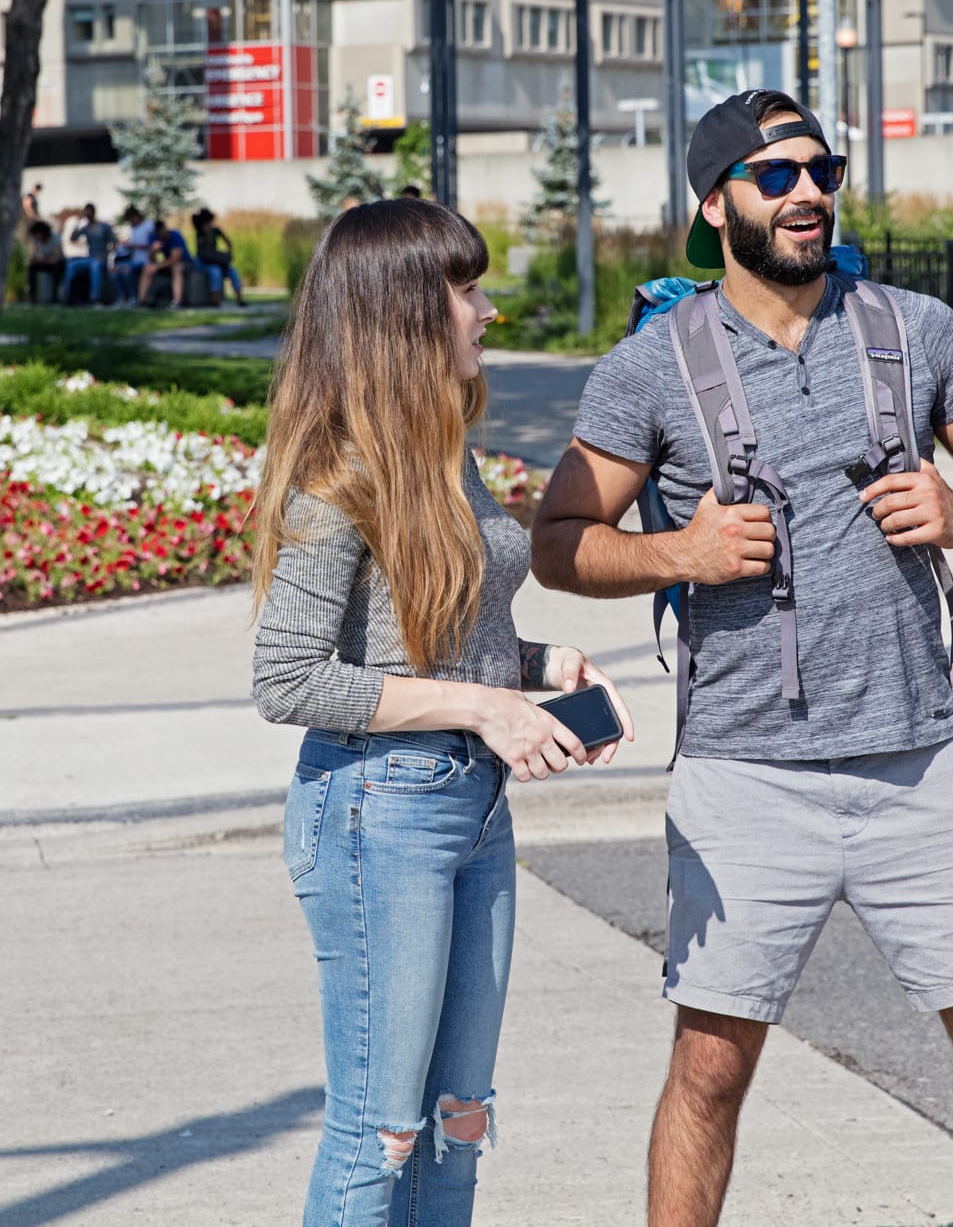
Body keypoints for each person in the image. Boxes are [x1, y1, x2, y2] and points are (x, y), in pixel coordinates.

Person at [531, 89, 953, 1227]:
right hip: (748, 776)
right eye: (776, 177)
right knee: (712, 1068)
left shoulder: (917, 330)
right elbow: (559, 545)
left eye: (820, 170)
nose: (808, 193)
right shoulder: (650, 367)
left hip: (924, 759)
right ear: (716, 202)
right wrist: (680, 547)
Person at [253, 198, 633, 1227]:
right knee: (381, 1133)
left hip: (472, 810)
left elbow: (432, 628)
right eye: (466, 291)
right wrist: (481, 703)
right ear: (404, 313)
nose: (488, 310)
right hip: (379, 816)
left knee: (460, 1118)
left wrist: (540, 666)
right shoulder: (336, 478)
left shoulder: (444, 450)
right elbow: (284, 677)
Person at [194, 208, 246, 306]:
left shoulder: (216, 230)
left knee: (233, 271)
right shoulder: (199, 233)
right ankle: (216, 301)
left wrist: (229, 253)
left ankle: (240, 300)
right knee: (215, 271)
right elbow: (204, 249)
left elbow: (228, 242)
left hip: (216, 261)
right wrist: (207, 234)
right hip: (204, 263)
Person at [112, 206, 154, 306]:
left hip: (146, 260)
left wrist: (134, 246)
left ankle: (134, 297)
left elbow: (151, 244)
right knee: (114, 271)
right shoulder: (134, 228)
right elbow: (131, 240)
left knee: (126, 270)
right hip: (134, 259)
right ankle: (123, 297)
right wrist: (122, 244)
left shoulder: (148, 225)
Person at [25, 220, 66, 305]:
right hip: (45, 263)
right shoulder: (36, 240)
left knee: (56, 269)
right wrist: (35, 259)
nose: (37, 236)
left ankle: (55, 298)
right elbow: (34, 255)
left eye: (38, 233)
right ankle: (32, 297)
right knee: (31, 268)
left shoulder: (56, 238)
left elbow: (56, 258)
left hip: (58, 264)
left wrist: (42, 260)